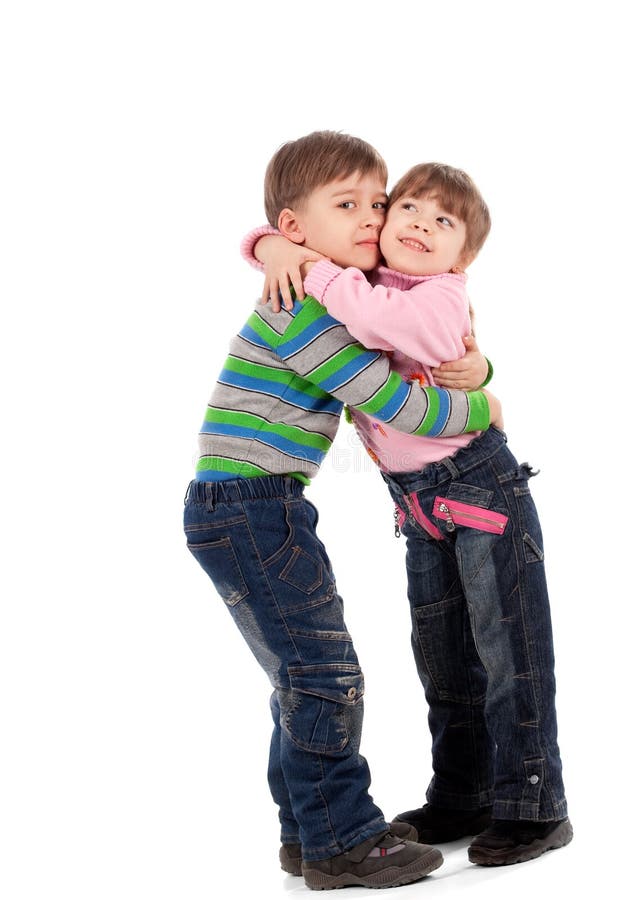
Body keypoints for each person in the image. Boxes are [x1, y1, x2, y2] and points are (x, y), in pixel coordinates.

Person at [184, 133, 502, 890]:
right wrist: (483, 406)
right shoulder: (301, 308)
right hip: (251, 506)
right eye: (348, 204)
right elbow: (390, 401)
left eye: (378, 202)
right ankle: (343, 841)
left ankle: (306, 832)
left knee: (301, 675)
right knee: (326, 672)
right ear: (297, 229)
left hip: (253, 504)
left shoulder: (317, 289)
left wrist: (266, 243)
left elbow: (408, 332)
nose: (372, 218)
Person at [248, 161, 572, 867]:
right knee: (444, 660)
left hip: (480, 489)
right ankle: (462, 792)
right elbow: (297, 237)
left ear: (464, 257)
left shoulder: (438, 297)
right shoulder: (368, 279)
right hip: (418, 503)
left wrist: (312, 269)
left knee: (509, 654)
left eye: (443, 221)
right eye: (409, 210)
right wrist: (271, 245)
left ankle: (534, 806)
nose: (421, 225)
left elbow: (380, 323)